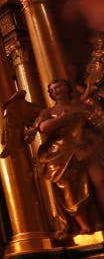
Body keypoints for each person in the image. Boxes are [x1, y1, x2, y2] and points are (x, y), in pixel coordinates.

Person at [35, 79, 104, 235]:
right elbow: (43, 127)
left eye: (59, 86)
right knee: (70, 188)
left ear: (67, 87)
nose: (56, 90)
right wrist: (62, 118)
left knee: (100, 181)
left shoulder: (80, 105)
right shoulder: (48, 111)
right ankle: (84, 225)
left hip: (85, 148)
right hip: (62, 153)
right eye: (52, 89)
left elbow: (95, 122)